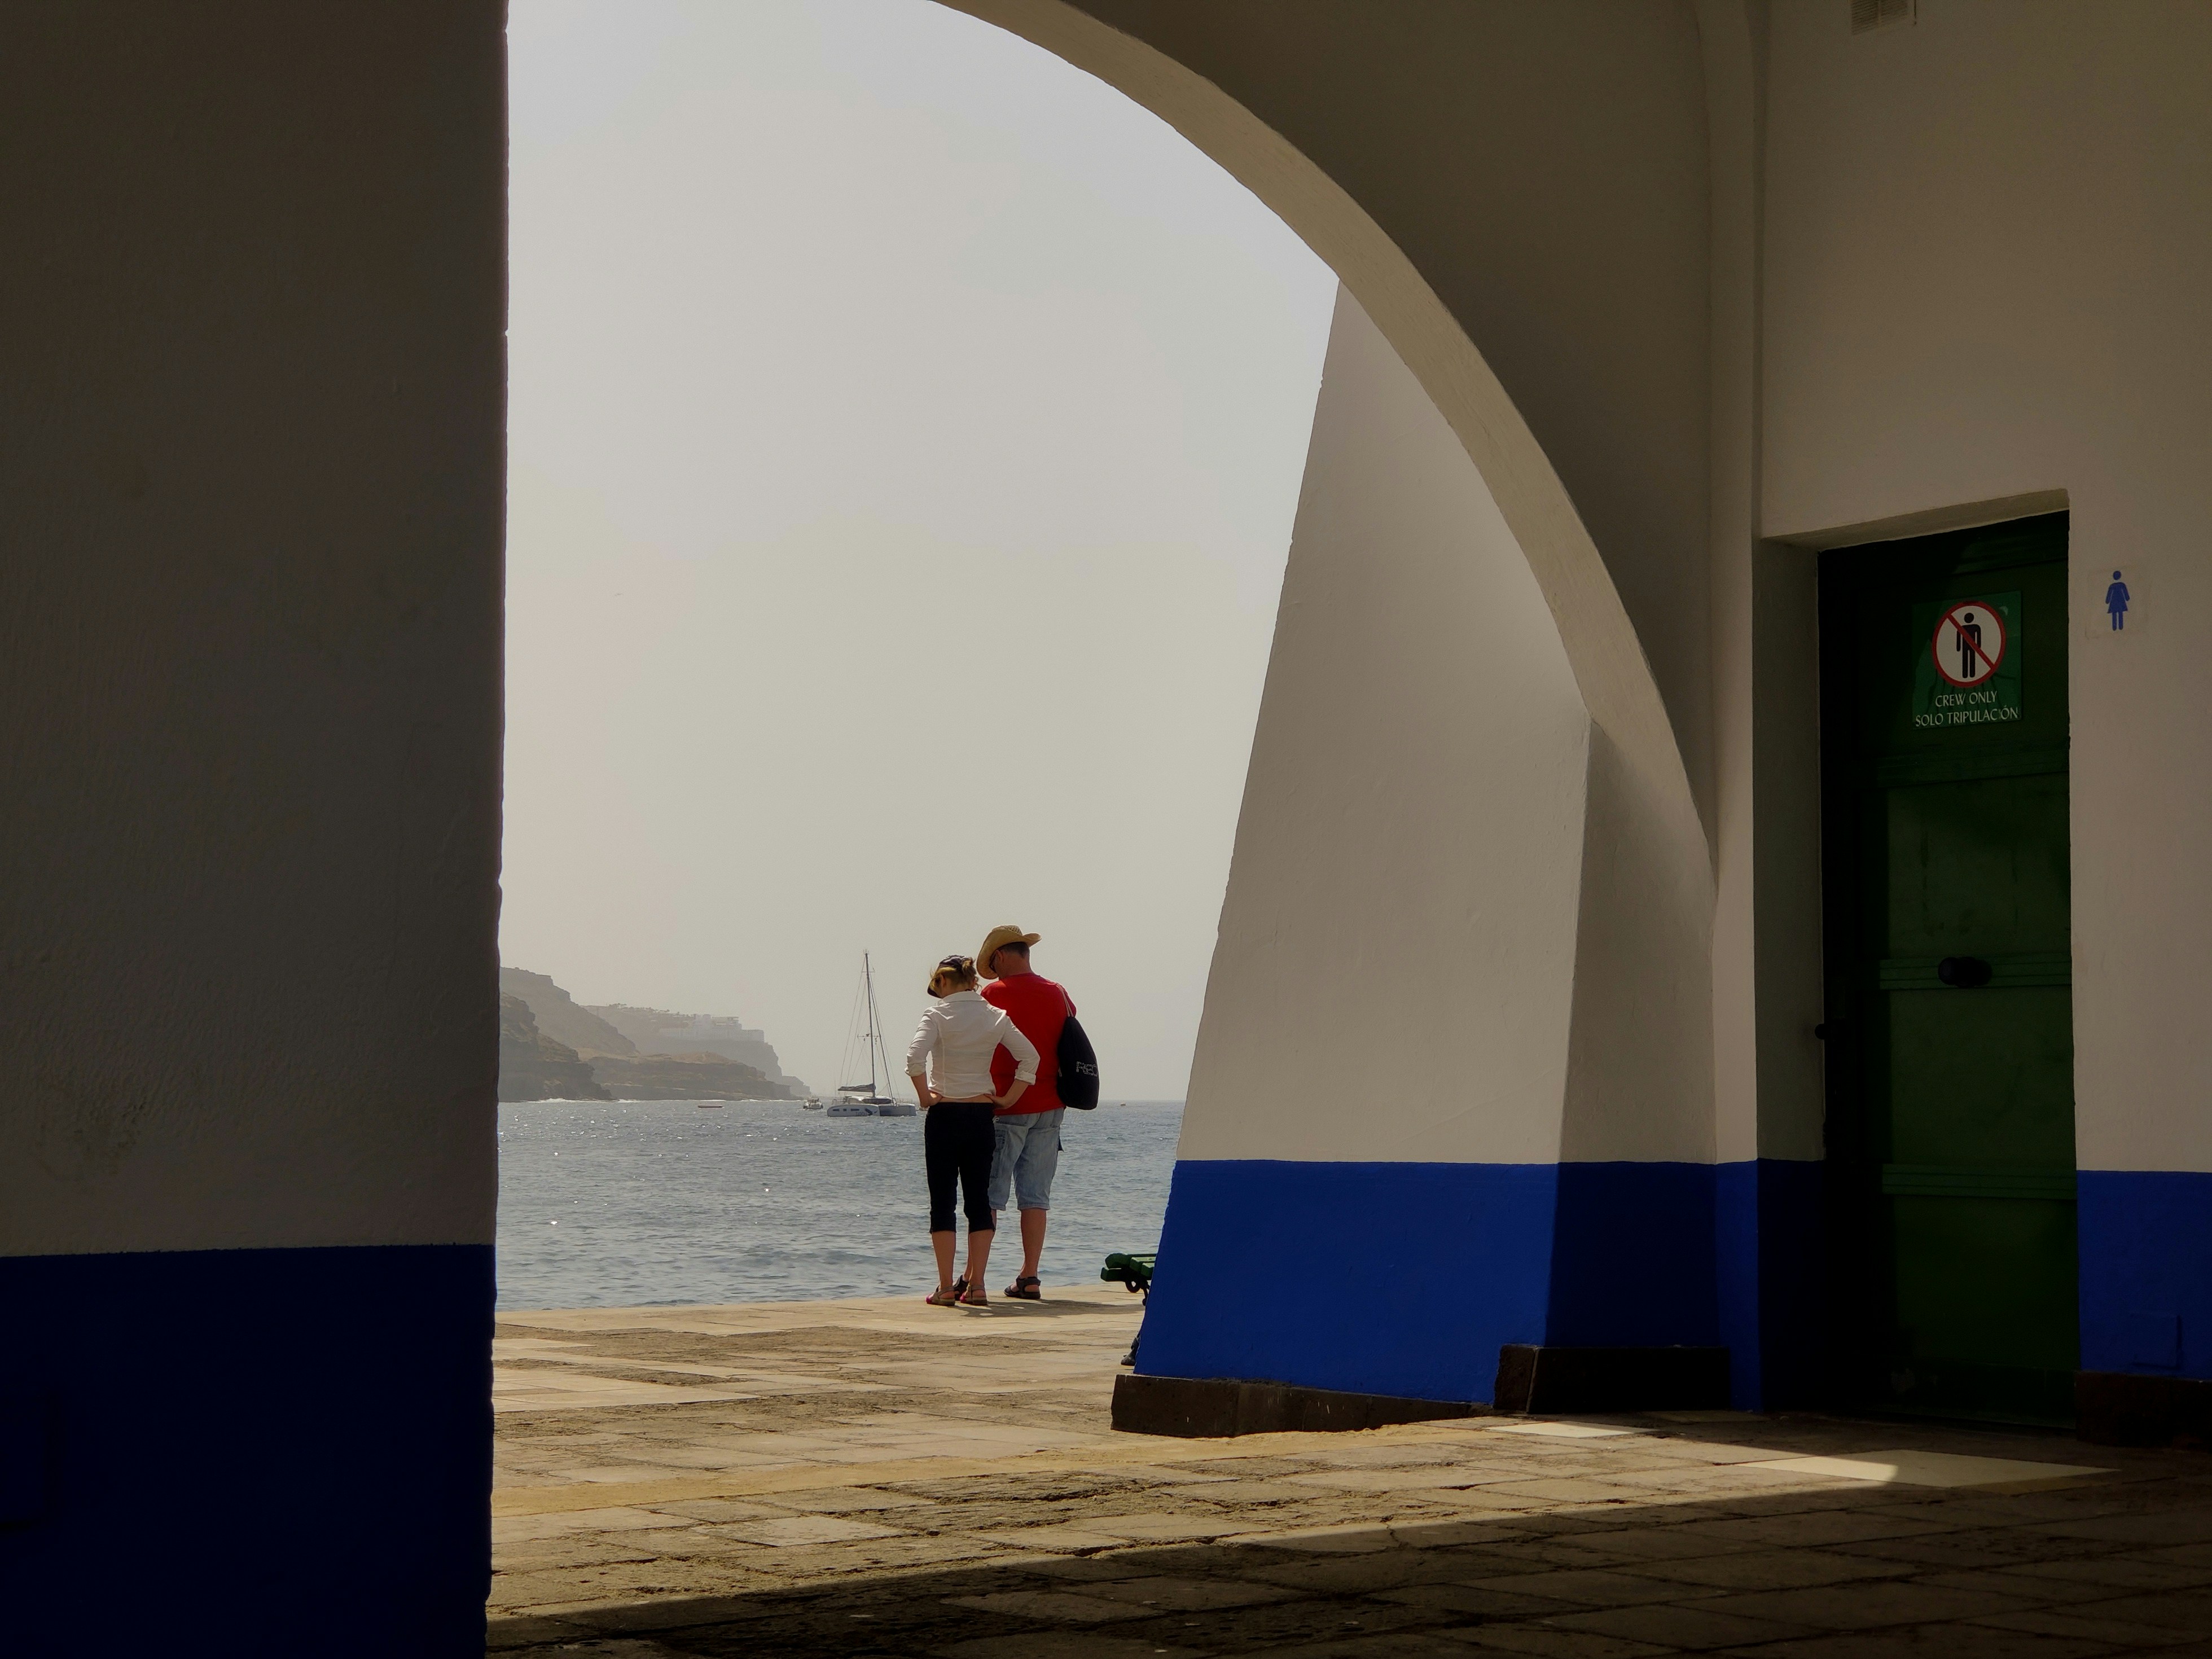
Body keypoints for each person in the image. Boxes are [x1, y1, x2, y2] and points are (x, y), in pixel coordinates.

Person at [905, 954, 1037, 1309]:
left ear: (944, 982)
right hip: (981, 1114)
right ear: (974, 982)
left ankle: (947, 1286)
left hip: (945, 1113)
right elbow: (1031, 1058)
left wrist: (925, 1098)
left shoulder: (936, 1015)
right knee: (979, 1201)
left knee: (943, 1203)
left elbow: (914, 1059)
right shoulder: (995, 1016)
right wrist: (1008, 1098)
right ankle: (977, 1285)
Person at [976, 924, 1076, 1300]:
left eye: (993, 963)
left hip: (1005, 1104)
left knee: (990, 1195)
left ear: (1000, 956)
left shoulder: (992, 994)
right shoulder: (1059, 993)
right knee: (1035, 1197)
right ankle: (1030, 1276)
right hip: (1051, 1105)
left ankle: (975, 1277)